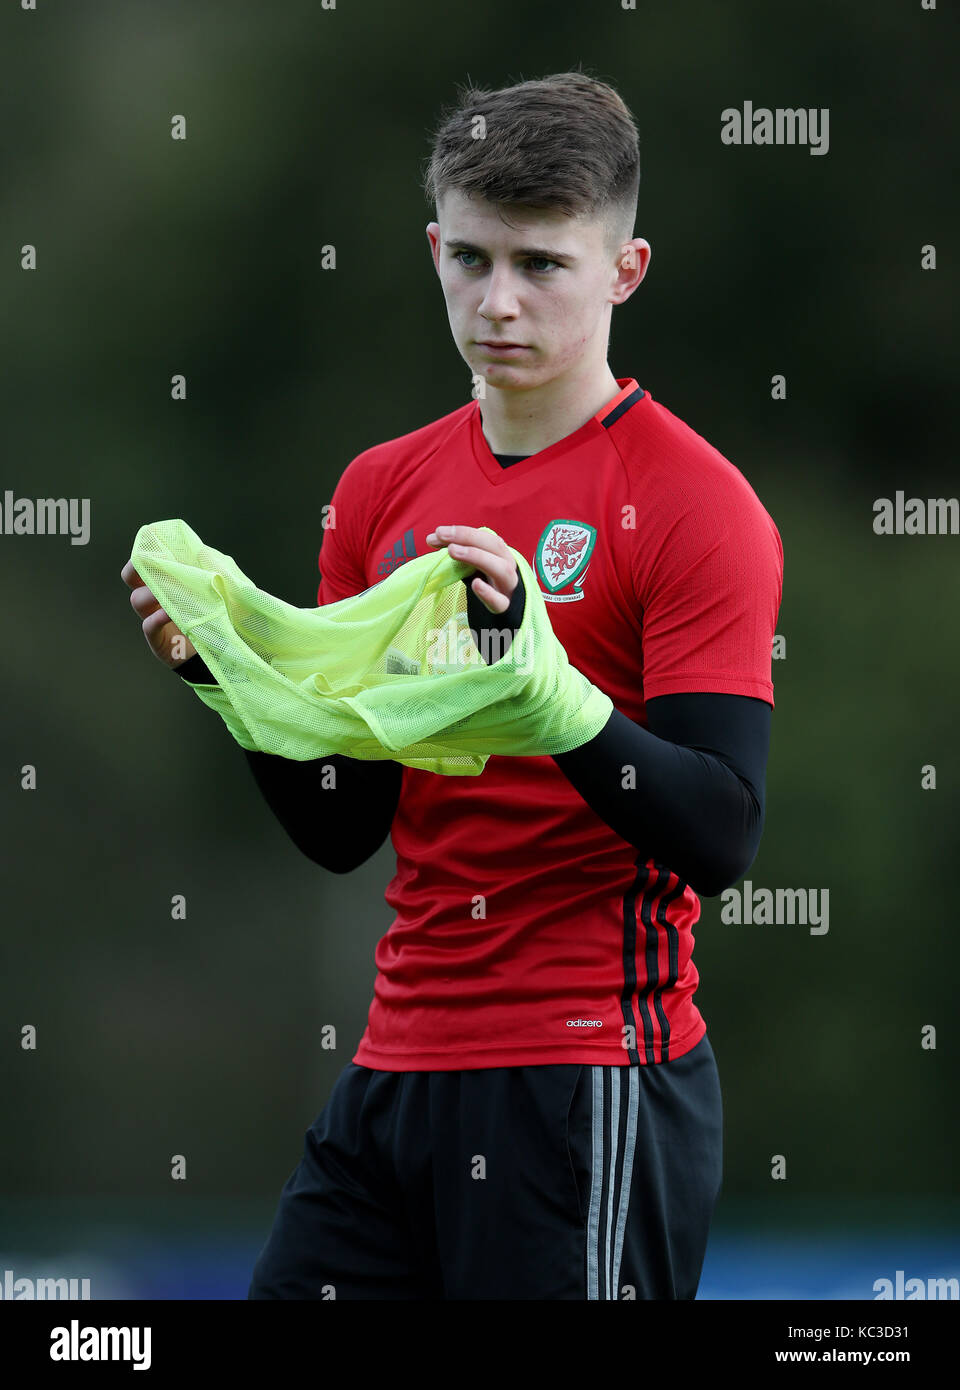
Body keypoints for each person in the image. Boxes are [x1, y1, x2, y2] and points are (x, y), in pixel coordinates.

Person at [121, 70, 783, 1300]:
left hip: (587, 1076)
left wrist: (555, 699)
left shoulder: (699, 505)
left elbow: (721, 830)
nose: (498, 303)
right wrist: (230, 679)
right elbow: (342, 823)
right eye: (471, 259)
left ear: (624, 271)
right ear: (434, 247)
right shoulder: (380, 489)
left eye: (542, 266)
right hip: (396, 1070)